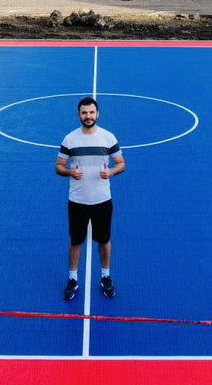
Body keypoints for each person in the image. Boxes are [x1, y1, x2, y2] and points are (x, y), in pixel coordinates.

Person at [56, 96, 125, 301]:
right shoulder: (70, 139)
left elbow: (121, 163)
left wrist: (111, 172)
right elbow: (58, 166)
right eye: (84, 113)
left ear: (97, 114)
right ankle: (73, 278)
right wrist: (70, 172)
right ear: (79, 115)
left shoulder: (108, 138)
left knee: (104, 240)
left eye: (91, 112)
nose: (88, 116)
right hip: (77, 200)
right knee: (76, 240)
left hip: (102, 200)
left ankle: (105, 275)